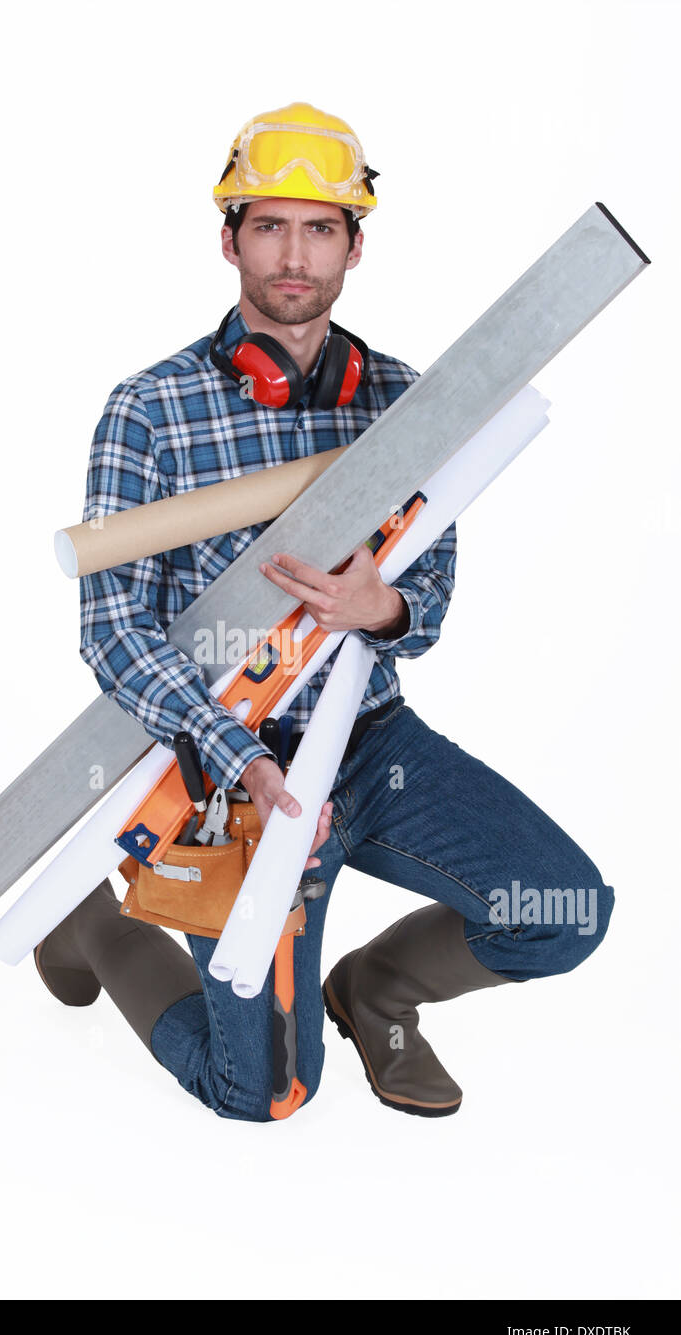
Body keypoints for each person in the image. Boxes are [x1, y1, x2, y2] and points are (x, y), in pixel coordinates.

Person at [33, 102, 614, 1123]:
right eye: (267, 226)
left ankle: (375, 988)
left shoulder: (409, 400)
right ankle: (98, 925)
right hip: (222, 767)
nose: (292, 255)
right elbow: (111, 629)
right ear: (228, 239)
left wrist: (380, 606)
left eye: (318, 228)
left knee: (562, 912)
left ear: (354, 244)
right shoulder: (149, 407)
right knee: (259, 1091)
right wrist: (228, 744)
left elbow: (424, 608)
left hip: (367, 739)